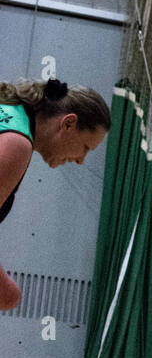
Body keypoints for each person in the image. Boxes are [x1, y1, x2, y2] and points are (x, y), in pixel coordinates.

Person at [0, 78, 110, 310]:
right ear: (68, 123)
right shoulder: (16, 142)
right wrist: (7, 292)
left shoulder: (11, 113)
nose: (81, 160)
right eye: (85, 148)